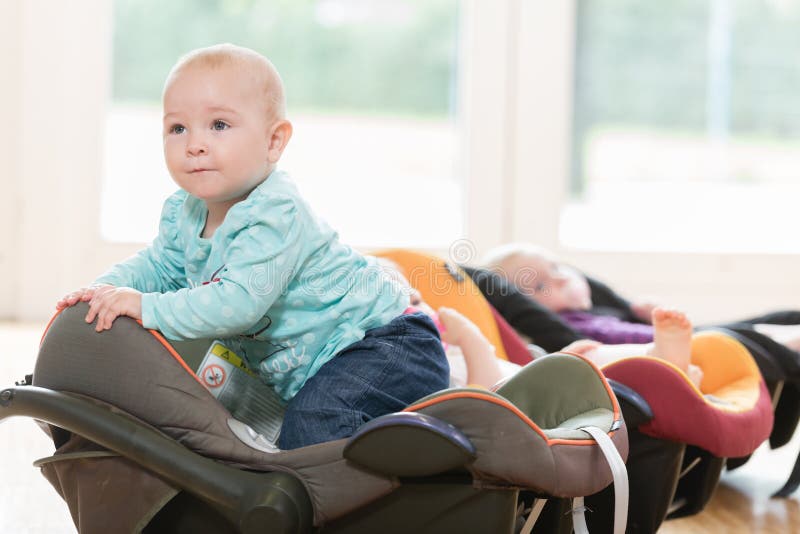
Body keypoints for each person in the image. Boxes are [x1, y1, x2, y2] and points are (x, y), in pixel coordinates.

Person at [55, 44, 449, 450]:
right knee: (261, 429)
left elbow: (238, 302)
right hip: (326, 368)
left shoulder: (275, 212)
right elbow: (157, 266)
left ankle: (417, 458)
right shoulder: (184, 212)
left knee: (312, 426)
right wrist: (104, 291)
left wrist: (145, 306)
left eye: (219, 125)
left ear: (274, 141)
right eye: (178, 128)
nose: (195, 144)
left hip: (386, 345)